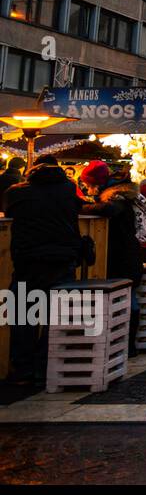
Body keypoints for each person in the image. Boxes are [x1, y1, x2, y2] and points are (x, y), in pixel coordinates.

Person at [3, 156, 81, 385]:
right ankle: (44, 365)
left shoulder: (16, 192)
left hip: (28, 261)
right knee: (55, 316)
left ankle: (23, 369)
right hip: (62, 258)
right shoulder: (69, 189)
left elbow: (8, 213)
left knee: (22, 316)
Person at [80, 160, 146, 353]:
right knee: (127, 298)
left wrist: (82, 207)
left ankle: (127, 344)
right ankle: (126, 343)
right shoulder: (118, 194)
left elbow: (109, 210)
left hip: (123, 257)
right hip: (127, 256)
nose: (85, 187)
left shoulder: (116, 197)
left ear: (95, 183)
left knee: (126, 299)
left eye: (86, 184)